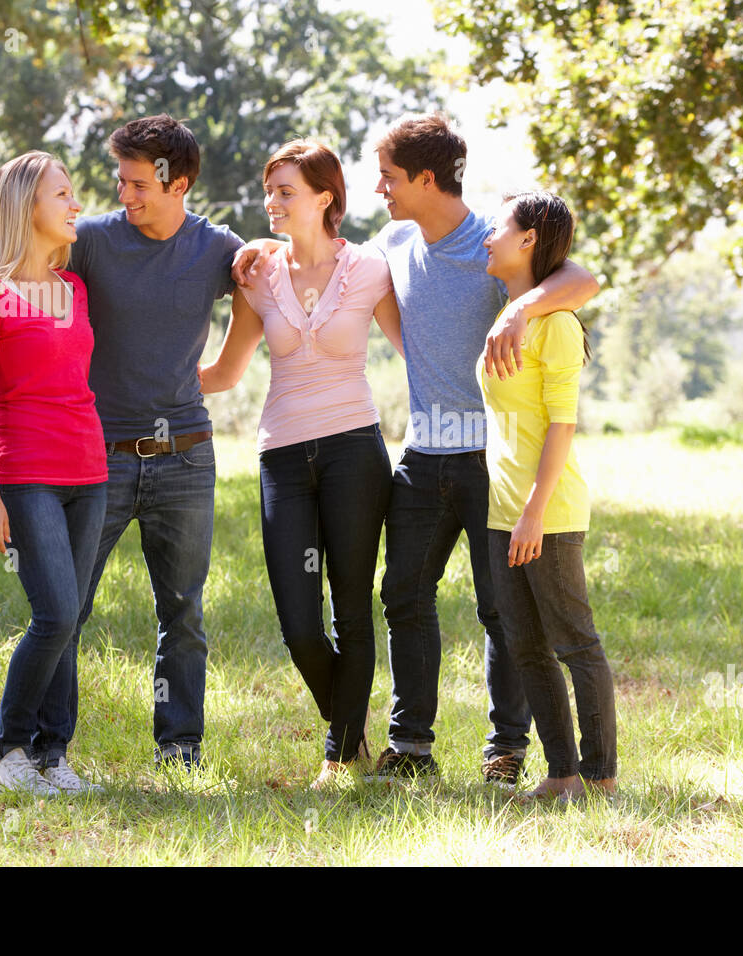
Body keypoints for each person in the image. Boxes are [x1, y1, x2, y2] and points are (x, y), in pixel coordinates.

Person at [233, 113, 600, 786]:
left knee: (500, 609)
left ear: (427, 178)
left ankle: (506, 749)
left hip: (490, 460)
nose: (379, 188)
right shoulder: (395, 242)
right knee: (402, 595)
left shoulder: (494, 243)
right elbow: (322, 249)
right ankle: (411, 747)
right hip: (421, 456)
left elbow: (584, 280)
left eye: (390, 176)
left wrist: (520, 309)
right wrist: (266, 237)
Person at [0, 116, 252, 770]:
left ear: (180, 183)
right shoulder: (88, 244)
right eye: (119, 180)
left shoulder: (218, 249)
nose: (122, 195)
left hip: (181, 456)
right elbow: (13, 265)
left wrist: (228, 364)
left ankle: (174, 750)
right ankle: (31, 751)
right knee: (66, 611)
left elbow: (272, 282)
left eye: (138, 183)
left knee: (183, 613)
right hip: (89, 459)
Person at [199, 140, 402, 787]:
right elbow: (227, 370)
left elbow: (414, 348)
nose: (272, 203)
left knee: (352, 609)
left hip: (353, 449)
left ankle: (340, 756)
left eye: (285, 191)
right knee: (298, 625)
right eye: (270, 192)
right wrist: (144, 376)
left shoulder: (370, 268)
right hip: (281, 454)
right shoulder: (257, 275)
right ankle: (352, 735)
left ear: (325, 197)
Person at [0, 150, 107, 795]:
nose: (76, 205)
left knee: (72, 617)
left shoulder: (73, 288)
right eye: (62, 195)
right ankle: (6, 749)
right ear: (25, 208)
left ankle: (53, 756)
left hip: (89, 469)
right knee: (55, 613)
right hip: (27, 474)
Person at [478, 191, 616, 801]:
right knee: (527, 647)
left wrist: (534, 513)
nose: (488, 236)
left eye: (500, 227)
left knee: (575, 644)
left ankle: (601, 777)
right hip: (501, 511)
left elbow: (563, 424)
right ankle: (561, 776)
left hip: (547, 512)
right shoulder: (513, 314)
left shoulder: (555, 324)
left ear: (529, 238)